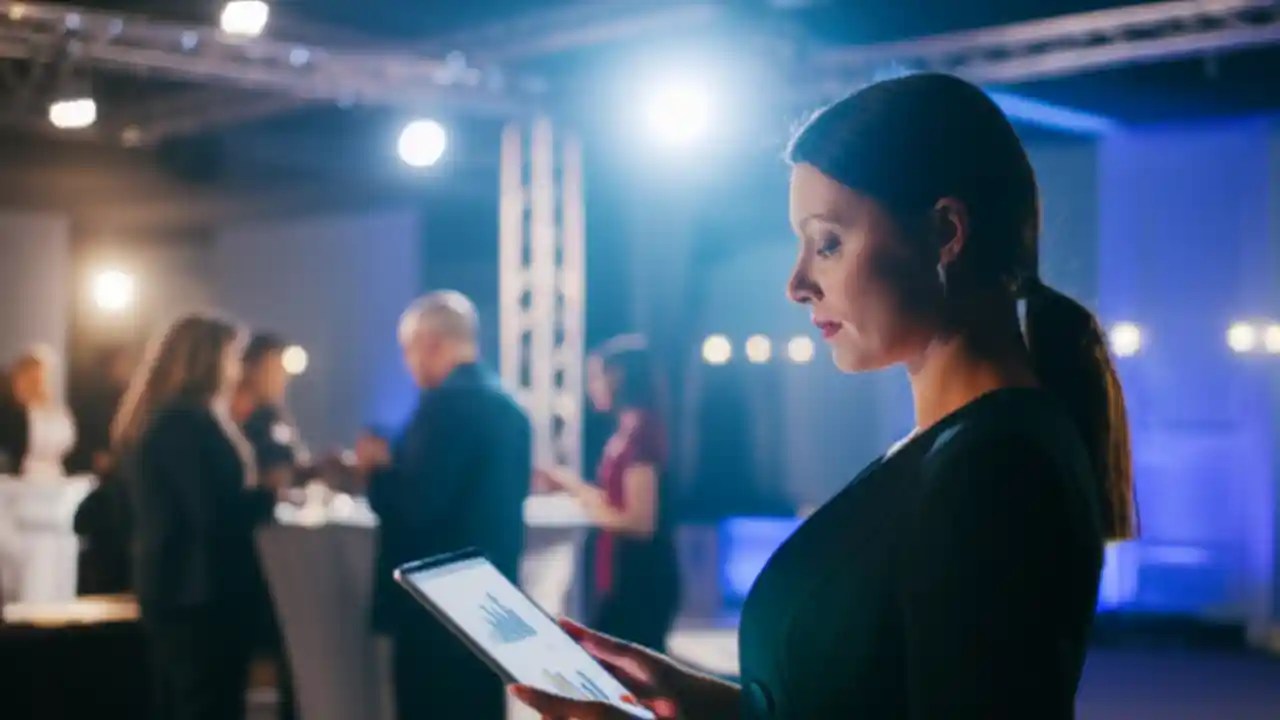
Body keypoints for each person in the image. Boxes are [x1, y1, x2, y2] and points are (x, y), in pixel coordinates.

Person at [512, 72, 1136, 719]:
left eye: (828, 244)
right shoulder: (955, 446)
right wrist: (711, 707)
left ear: (946, 232)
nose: (797, 282)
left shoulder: (996, 467)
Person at [359, 290, 532, 720]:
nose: (408, 364)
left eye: (408, 350)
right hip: (489, 602)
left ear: (431, 343)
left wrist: (378, 471)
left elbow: (417, 505)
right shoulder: (510, 408)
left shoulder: (443, 409)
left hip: (434, 614)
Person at [113, 314, 279, 720]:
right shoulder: (185, 423)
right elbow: (210, 510)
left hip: (184, 587)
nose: (236, 369)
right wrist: (269, 497)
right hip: (197, 590)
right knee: (206, 703)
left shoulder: (174, 419)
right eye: (231, 357)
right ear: (208, 360)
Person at [538, 335, 680, 652]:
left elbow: (639, 522)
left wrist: (588, 511)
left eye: (596, 376)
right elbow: (613, 502)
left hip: (641, 582)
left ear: (617, 376)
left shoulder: (642, 433)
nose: (592, 387)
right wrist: (569, 485)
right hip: (624, 578)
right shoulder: (629, 430)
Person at [231, 333, 304, 720]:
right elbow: (273, 475)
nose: (281, 377)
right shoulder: (255, 419)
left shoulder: (275, 416)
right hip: (261, 548)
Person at [0, 346, 77, 478]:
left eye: (42, 374)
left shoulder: (60, 412)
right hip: (23, 477)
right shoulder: (13, 413)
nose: (39, 380)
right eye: (32, 375)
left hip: (56, 476)